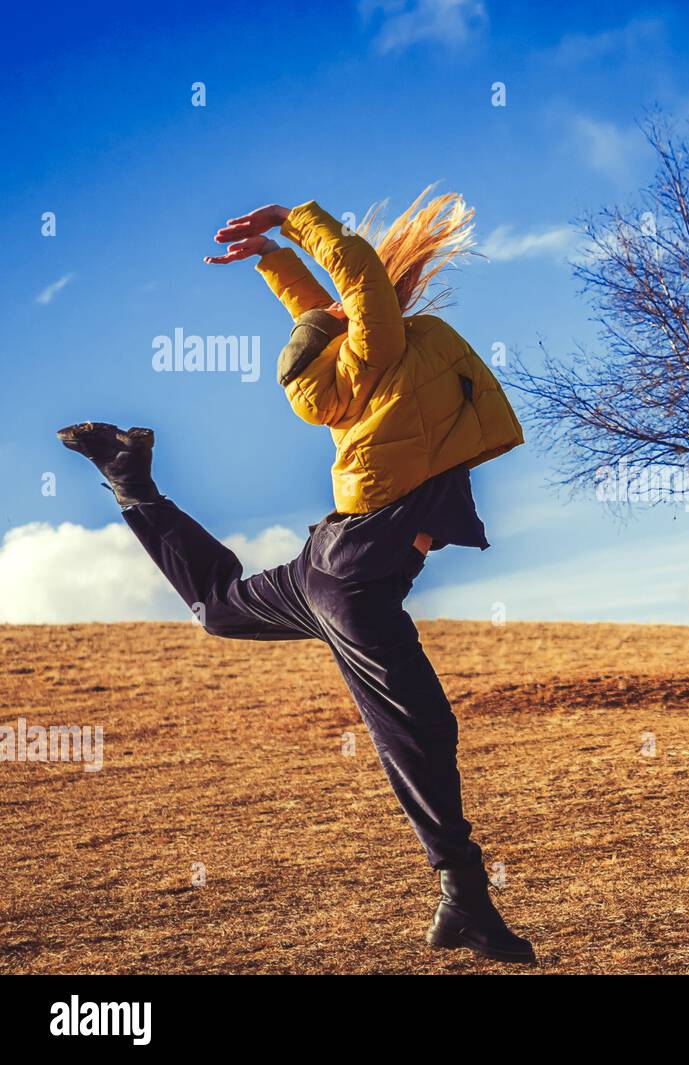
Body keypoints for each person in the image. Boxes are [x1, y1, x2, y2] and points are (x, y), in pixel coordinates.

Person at [57, 191, 532, 964]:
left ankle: (130, 482)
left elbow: (327, 305)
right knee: (420, 732)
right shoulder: (376, 350)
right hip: (355, 578)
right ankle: (464, 901)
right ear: (350, 333)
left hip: (328, 565)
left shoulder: (351, 372)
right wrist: (292, 218)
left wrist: (274, 261)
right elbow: (360, 280)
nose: (347, 311)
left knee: (215, 608)